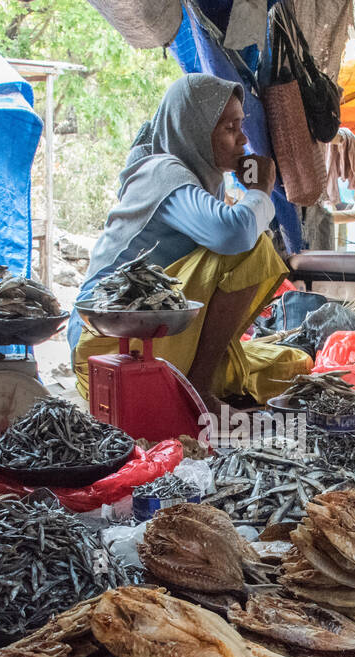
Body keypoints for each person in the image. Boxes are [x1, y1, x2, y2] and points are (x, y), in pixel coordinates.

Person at [70, 74, 309, 412]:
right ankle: (198, 386)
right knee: (252, 249)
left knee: (291, 365)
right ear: (191, 129)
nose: (243, 140)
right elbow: (235, 234)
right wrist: (260, 189)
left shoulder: (200, 182)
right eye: (229, 128)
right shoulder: (161, 172)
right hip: (105, 346)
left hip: (158, 338)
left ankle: (196, 379)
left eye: (242, 126)